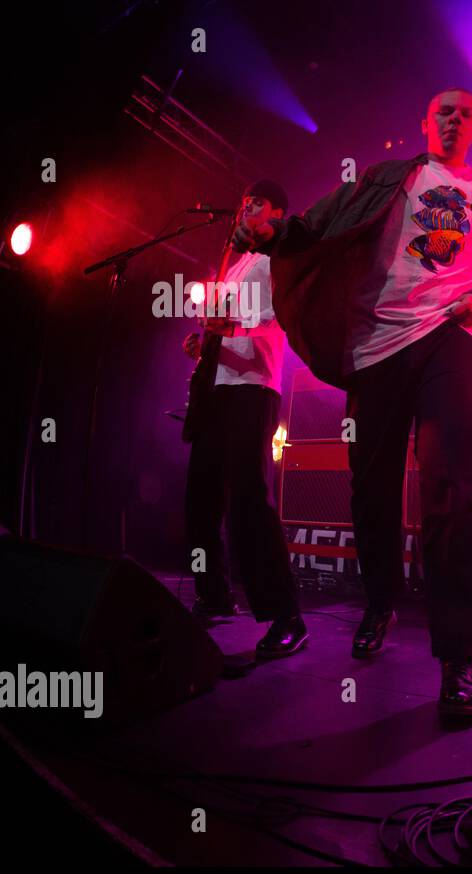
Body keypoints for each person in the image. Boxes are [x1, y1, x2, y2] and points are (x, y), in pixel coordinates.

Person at [232, 88, 472, 716]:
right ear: (424, 122)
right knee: (372, 487)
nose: (453, 119)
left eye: (465, 113)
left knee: (452, 489)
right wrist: (267, 233)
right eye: (443, 110)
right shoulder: (388, 177)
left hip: (453, 337)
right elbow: (314, 224)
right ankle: (382, 601)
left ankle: (457, 658)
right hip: (377, 345)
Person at [183, 180, 307, 659]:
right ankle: (215, 596)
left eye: (257, 202)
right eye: (244, 201)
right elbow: (226, 323)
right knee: (201, 498)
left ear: (276, 212)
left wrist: (228, 327)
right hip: (218, 387)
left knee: (250, 501)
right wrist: (205, 343)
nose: (245, 207)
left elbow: (276, 312)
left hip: (253, 387)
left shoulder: (275, 257)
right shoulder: (233, 263)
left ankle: (286, 616)